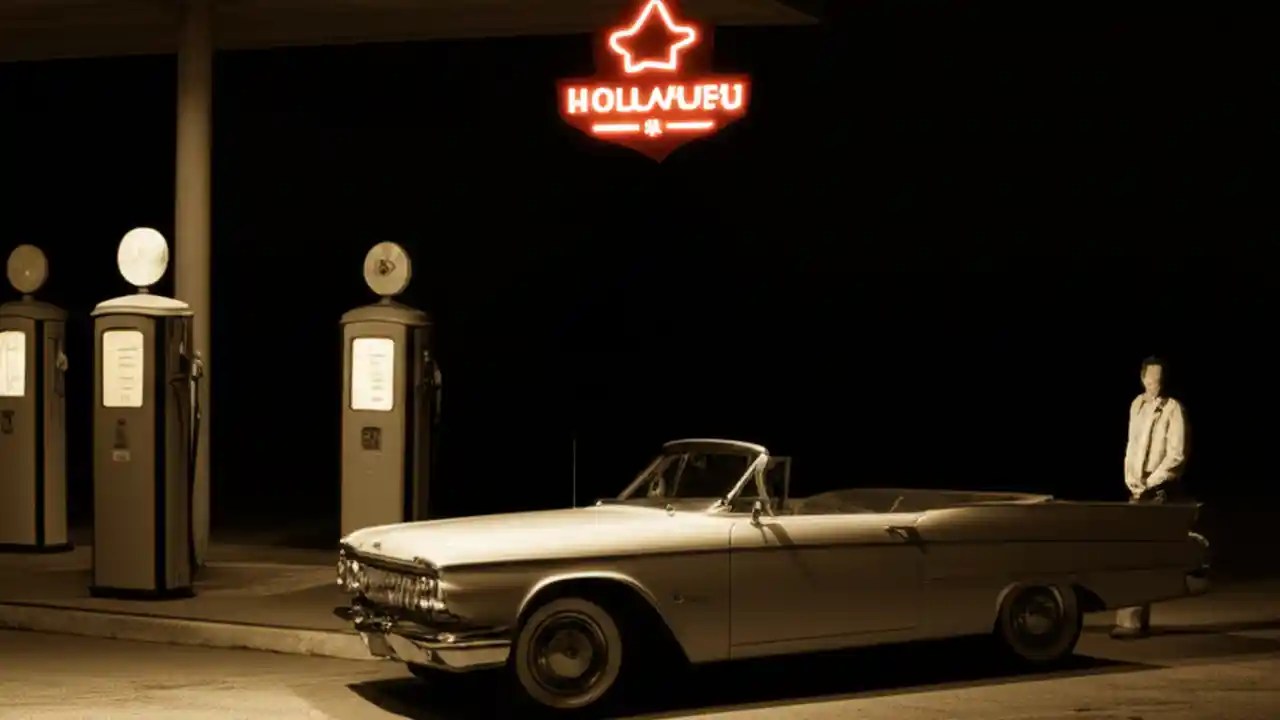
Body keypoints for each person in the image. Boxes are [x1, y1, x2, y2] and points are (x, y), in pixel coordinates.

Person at [1112, 356, 1188, 639]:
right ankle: (1131, 621)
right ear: (1143, 378)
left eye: (1160, 380)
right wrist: (1131, 479)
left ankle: (1131, 623)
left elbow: (1177, 454)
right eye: (1151, 379)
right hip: (1137, 487)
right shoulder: (1137, 405)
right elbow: (1132, 445)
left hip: (1157, 488)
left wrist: (1150, 481)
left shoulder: (1172, 408)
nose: (1156, 384)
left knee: (1142, 556)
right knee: (1129, 555)